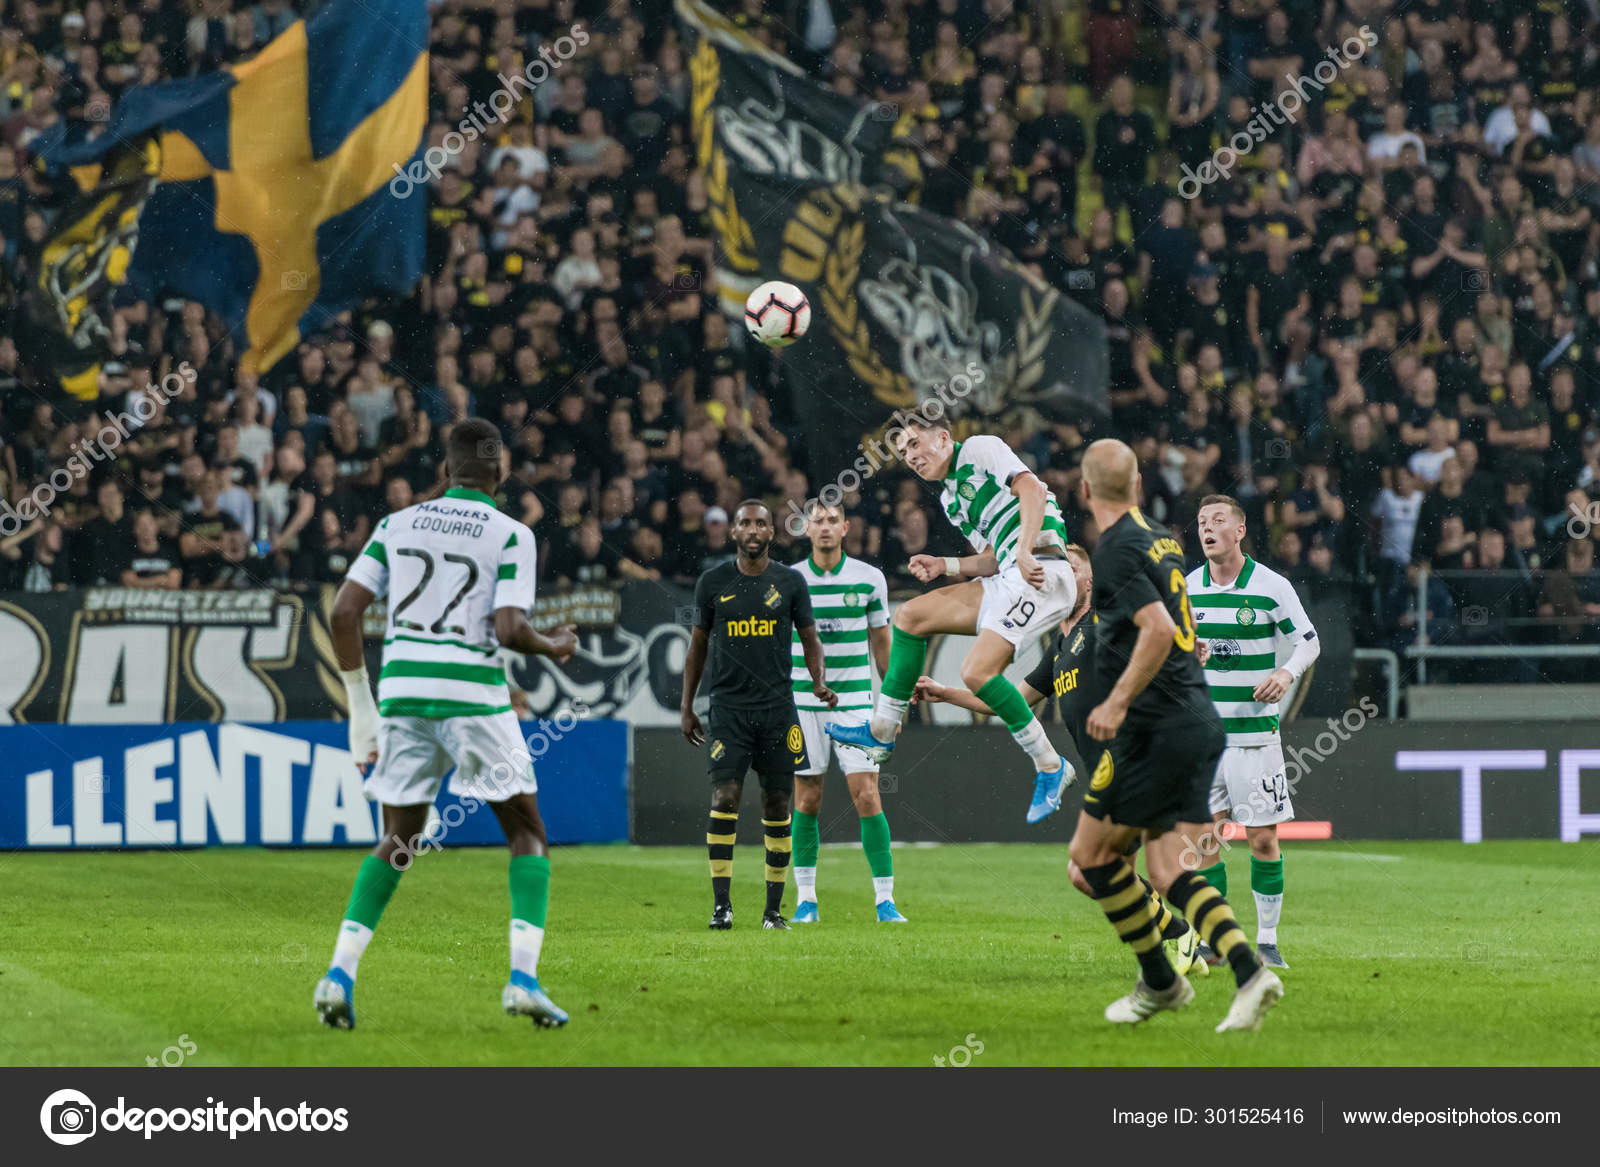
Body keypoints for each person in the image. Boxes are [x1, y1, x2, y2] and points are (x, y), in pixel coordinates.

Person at [314, 419, 579, 1032]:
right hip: (473, 698)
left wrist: (361, 710)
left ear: (444, 470)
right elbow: (510, 629)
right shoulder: (512, 534)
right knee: (525, 831)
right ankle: (522, 981)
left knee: (400, 840)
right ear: (503, 473)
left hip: (404, 694)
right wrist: (556, 644)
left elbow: (344, 610)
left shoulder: (397, 523)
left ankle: (339, 973)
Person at [1066, 438, 1280, 1030]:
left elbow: (1157, 630)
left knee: (1089, 859)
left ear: (1084, 491)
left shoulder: (1113, 550)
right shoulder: (1163, 538)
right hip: (1197, 720)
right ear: (1138, 485)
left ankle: (1161, 982)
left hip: (1151, 728)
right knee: (1166, 869)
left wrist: (1114, 700)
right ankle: (1249, 971)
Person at [914, 544, 1205, 979]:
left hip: (1135, 761)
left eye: (1073, 566)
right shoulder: (1058, 648)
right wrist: (944, 691)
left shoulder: (1105, 618)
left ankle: (1183, 935)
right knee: (1110, 882)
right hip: (1107, 771)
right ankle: (1174, 953)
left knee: (1087, 869)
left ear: (1088, 579)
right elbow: (1005, 702)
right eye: (1060, 567)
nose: (1064, 574)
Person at [827, 418, 1080, 823]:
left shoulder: (980, 448)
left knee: (977, 672)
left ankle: (1051, 765)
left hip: (1042, 572)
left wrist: (1026, 549)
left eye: (914, 444)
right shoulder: (950, 499)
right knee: (909, 616)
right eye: (904, 453)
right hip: (1009, 575)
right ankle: (882, 730)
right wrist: (944, 563)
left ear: (943, 438)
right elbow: (994, 558)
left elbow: (1031, 489)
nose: (910, 457)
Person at [680, 501, 836, 931]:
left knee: (776, 804)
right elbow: (697, 647)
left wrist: (818, 681)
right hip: (728, 710)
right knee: (724, 798)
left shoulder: (790, 582)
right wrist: (687, 705)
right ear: (733, 532)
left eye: (760, 523)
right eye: (745, 523)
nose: (752, 530)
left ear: (772, 533)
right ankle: (721, 907)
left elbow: (810, 640)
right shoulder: (712, 583)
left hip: (777, 711)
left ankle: (772, 911)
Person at [1187, 495, 1322, 970]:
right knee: (1205, 841)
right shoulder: (1186, 588)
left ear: (1239, 531)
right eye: (1202, 522)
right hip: (1204, 740)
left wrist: (1285, 675)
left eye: (1218, 520)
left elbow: (1309, 642)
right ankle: (1215, 939)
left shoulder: (1270, 586)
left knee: (1262, 840)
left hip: (1254, 740)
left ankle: (1267, 941)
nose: (1208, 528)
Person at [786, 501, 905, 925]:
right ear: (806, 529)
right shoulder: (790, 580)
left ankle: (885, 901)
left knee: (868, 796)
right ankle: (806, 900)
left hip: (855, 703)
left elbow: (882, 644)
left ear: (846, 528)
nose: (825, 527)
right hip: (802, 703)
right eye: (817, 520)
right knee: (808, 797)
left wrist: (893, 704)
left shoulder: (870, 579)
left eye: (832, 520)